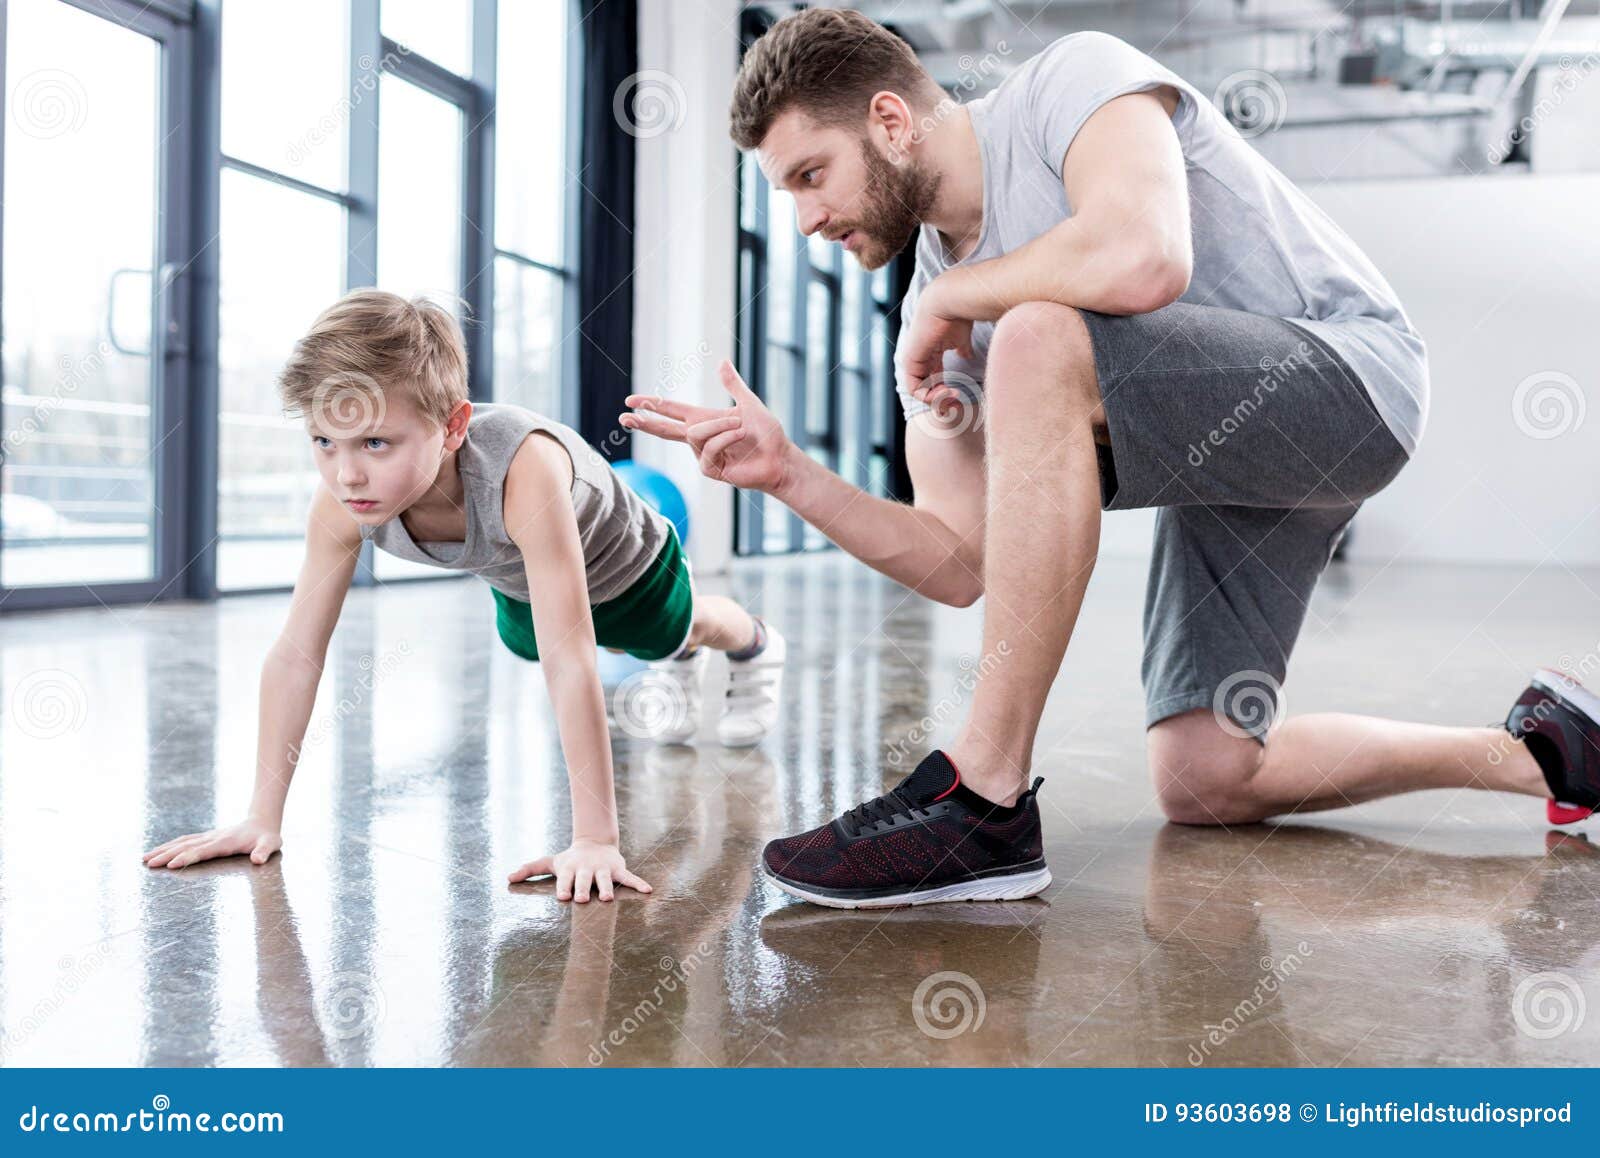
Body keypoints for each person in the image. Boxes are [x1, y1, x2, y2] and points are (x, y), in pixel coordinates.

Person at [621, 10, 1600, 908]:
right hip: (1229, 460)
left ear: (888, 119)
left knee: (1038, 335)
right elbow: (962, 560)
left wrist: (957, 304)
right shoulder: (941, 286)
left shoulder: (1068, 83)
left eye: (808, 175)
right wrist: (794, 475)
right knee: (1207, 777)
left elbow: (1142, 258)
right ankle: (1549, 751)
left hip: (1347, 382)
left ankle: (983, 797)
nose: (804, 221)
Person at [143, 290, 786, 903]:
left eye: (375, 442)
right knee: (529, 640)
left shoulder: (523, 469)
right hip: (522, 583)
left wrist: (595, 840)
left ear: (453, 427)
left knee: (673, 629)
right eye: (323, 443)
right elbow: (297, 652)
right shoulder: (342, 501)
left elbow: (573, 658)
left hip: (629, 566)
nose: (347, 473)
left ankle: (753, 641)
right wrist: (261, 816)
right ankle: (675, 652)